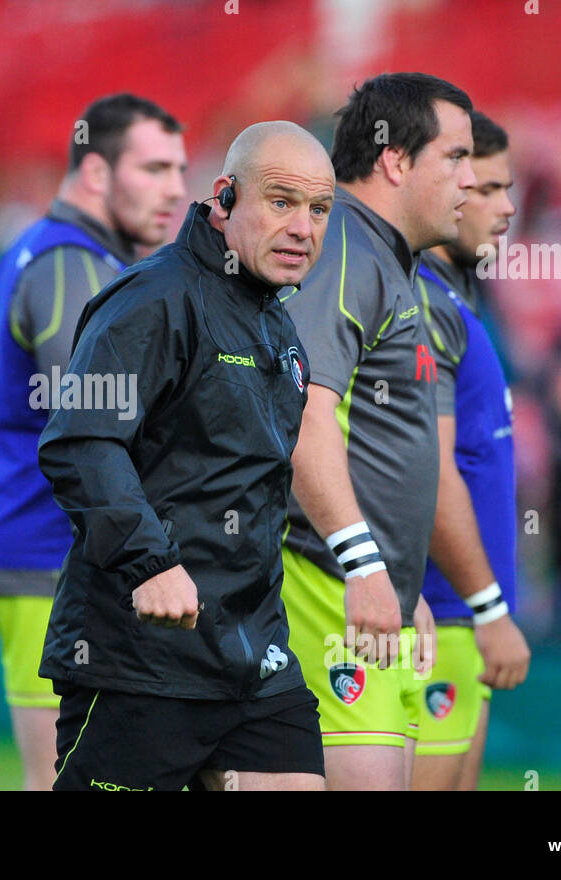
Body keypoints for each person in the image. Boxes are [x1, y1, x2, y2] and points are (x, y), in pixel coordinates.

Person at [38, 121, 333, 792]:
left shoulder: (277, 324)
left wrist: (380, 573)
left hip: (253, 655)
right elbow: (81, 441)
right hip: (140, 654)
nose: (303, 227)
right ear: (224, 198)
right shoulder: (153, 298)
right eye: (282, 201)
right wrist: (151, 562)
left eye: (319, 209)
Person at [0, 93, 186, 789]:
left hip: (38, 546)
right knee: (68, 779)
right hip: (49, 554)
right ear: (96, 172)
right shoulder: (74, 267)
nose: (176, 190)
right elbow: (98, 427)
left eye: (180, 170)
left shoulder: (37, 251)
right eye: (154, 168)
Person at [279, 72, 476, 790]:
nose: (472, 178)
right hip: (318, 583)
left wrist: (395, 575)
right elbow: (305, 415)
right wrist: (365, 565)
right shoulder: (344, 250)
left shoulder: (385, 261)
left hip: (359, 587)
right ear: (395, 160)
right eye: (455, 157)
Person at [410, 111, 531, 790]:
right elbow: (426, 465)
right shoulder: (421, 307)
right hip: (441, 615)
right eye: (486, 188)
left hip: (465, 622)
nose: (505, 207)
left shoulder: (460, 306)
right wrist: (486, 608)